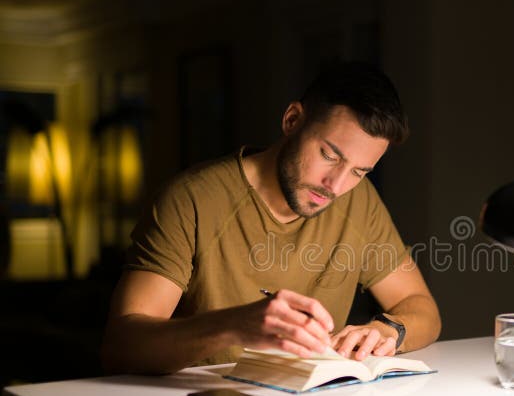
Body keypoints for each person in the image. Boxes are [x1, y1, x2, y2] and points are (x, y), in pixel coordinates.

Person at [101, 62, 441, 374]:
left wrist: (387, 330)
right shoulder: (192, 199)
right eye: (328, 155)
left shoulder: (359, 201)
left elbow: (423, 310)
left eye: (359, 171)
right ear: (292, 120)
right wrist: (234, 325)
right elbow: (123, 346)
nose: (336, 186)